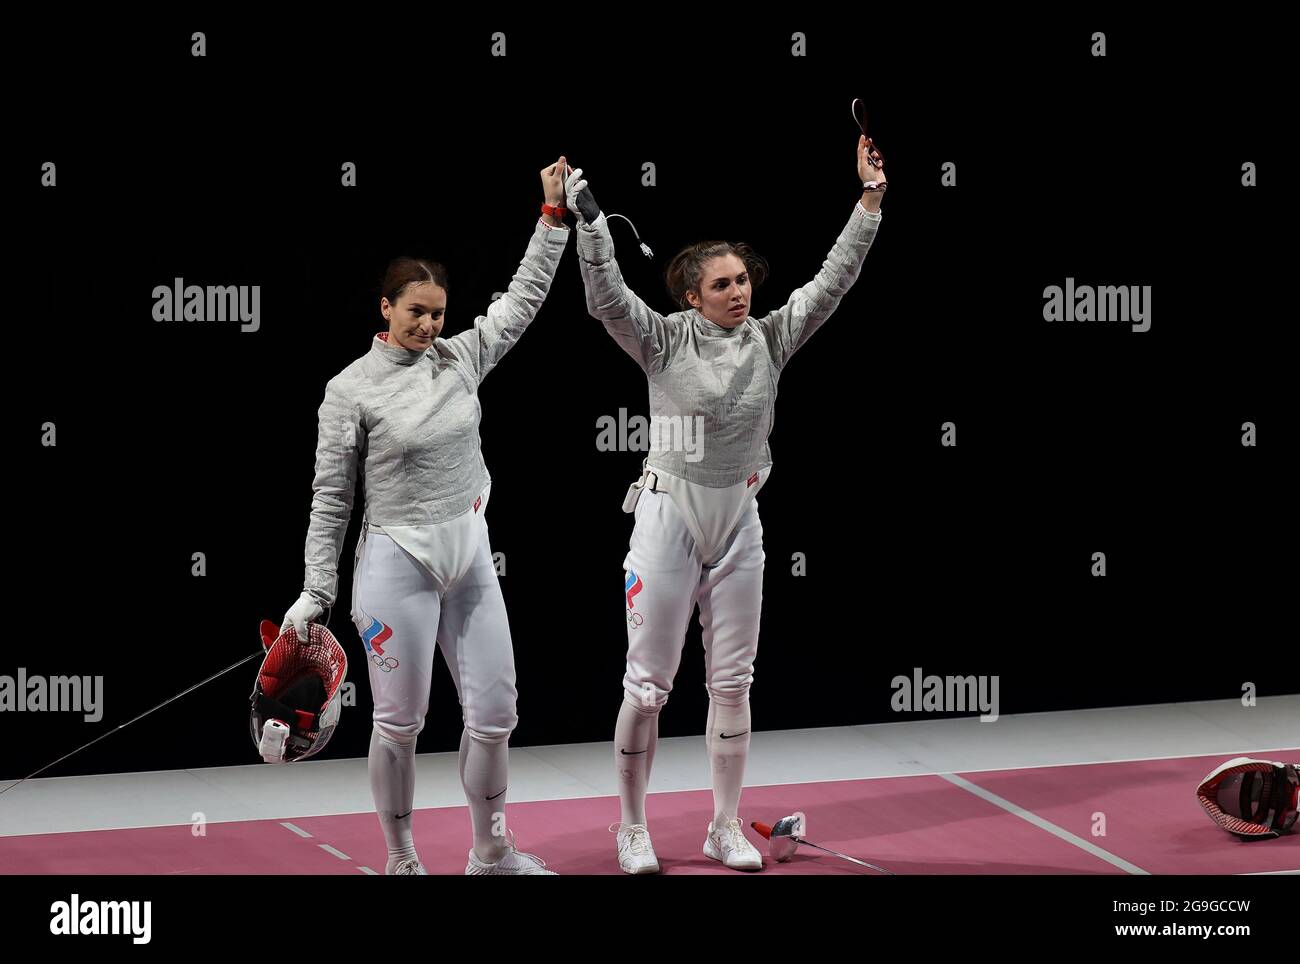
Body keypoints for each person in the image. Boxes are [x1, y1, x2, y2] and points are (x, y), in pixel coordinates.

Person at [567, 134, 886, 873]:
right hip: (669, 516)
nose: (739, 292)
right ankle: (632, 828)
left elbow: (832, 281)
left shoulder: (770, 339)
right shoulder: (662, 341)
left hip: (740, 519)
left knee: (734, 682)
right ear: (690, 295)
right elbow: (605, 297)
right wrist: (588, 225)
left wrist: (869, 198)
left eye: (744, 280)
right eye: (723, 285)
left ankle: (722, 825)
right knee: (647, 687)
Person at [281, 158, 572, 875]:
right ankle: (403, 857)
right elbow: (331, 499)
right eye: (417, 311)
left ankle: (491, 850)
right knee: (400, 723)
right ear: (385, 307)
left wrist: (553, 217)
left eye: (438, 312)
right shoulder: (349, 390)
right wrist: (316, 591)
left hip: (468, 550)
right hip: (395, 564)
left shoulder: (459, 358)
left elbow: (523, 297)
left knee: (497, 713)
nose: (430, 323)